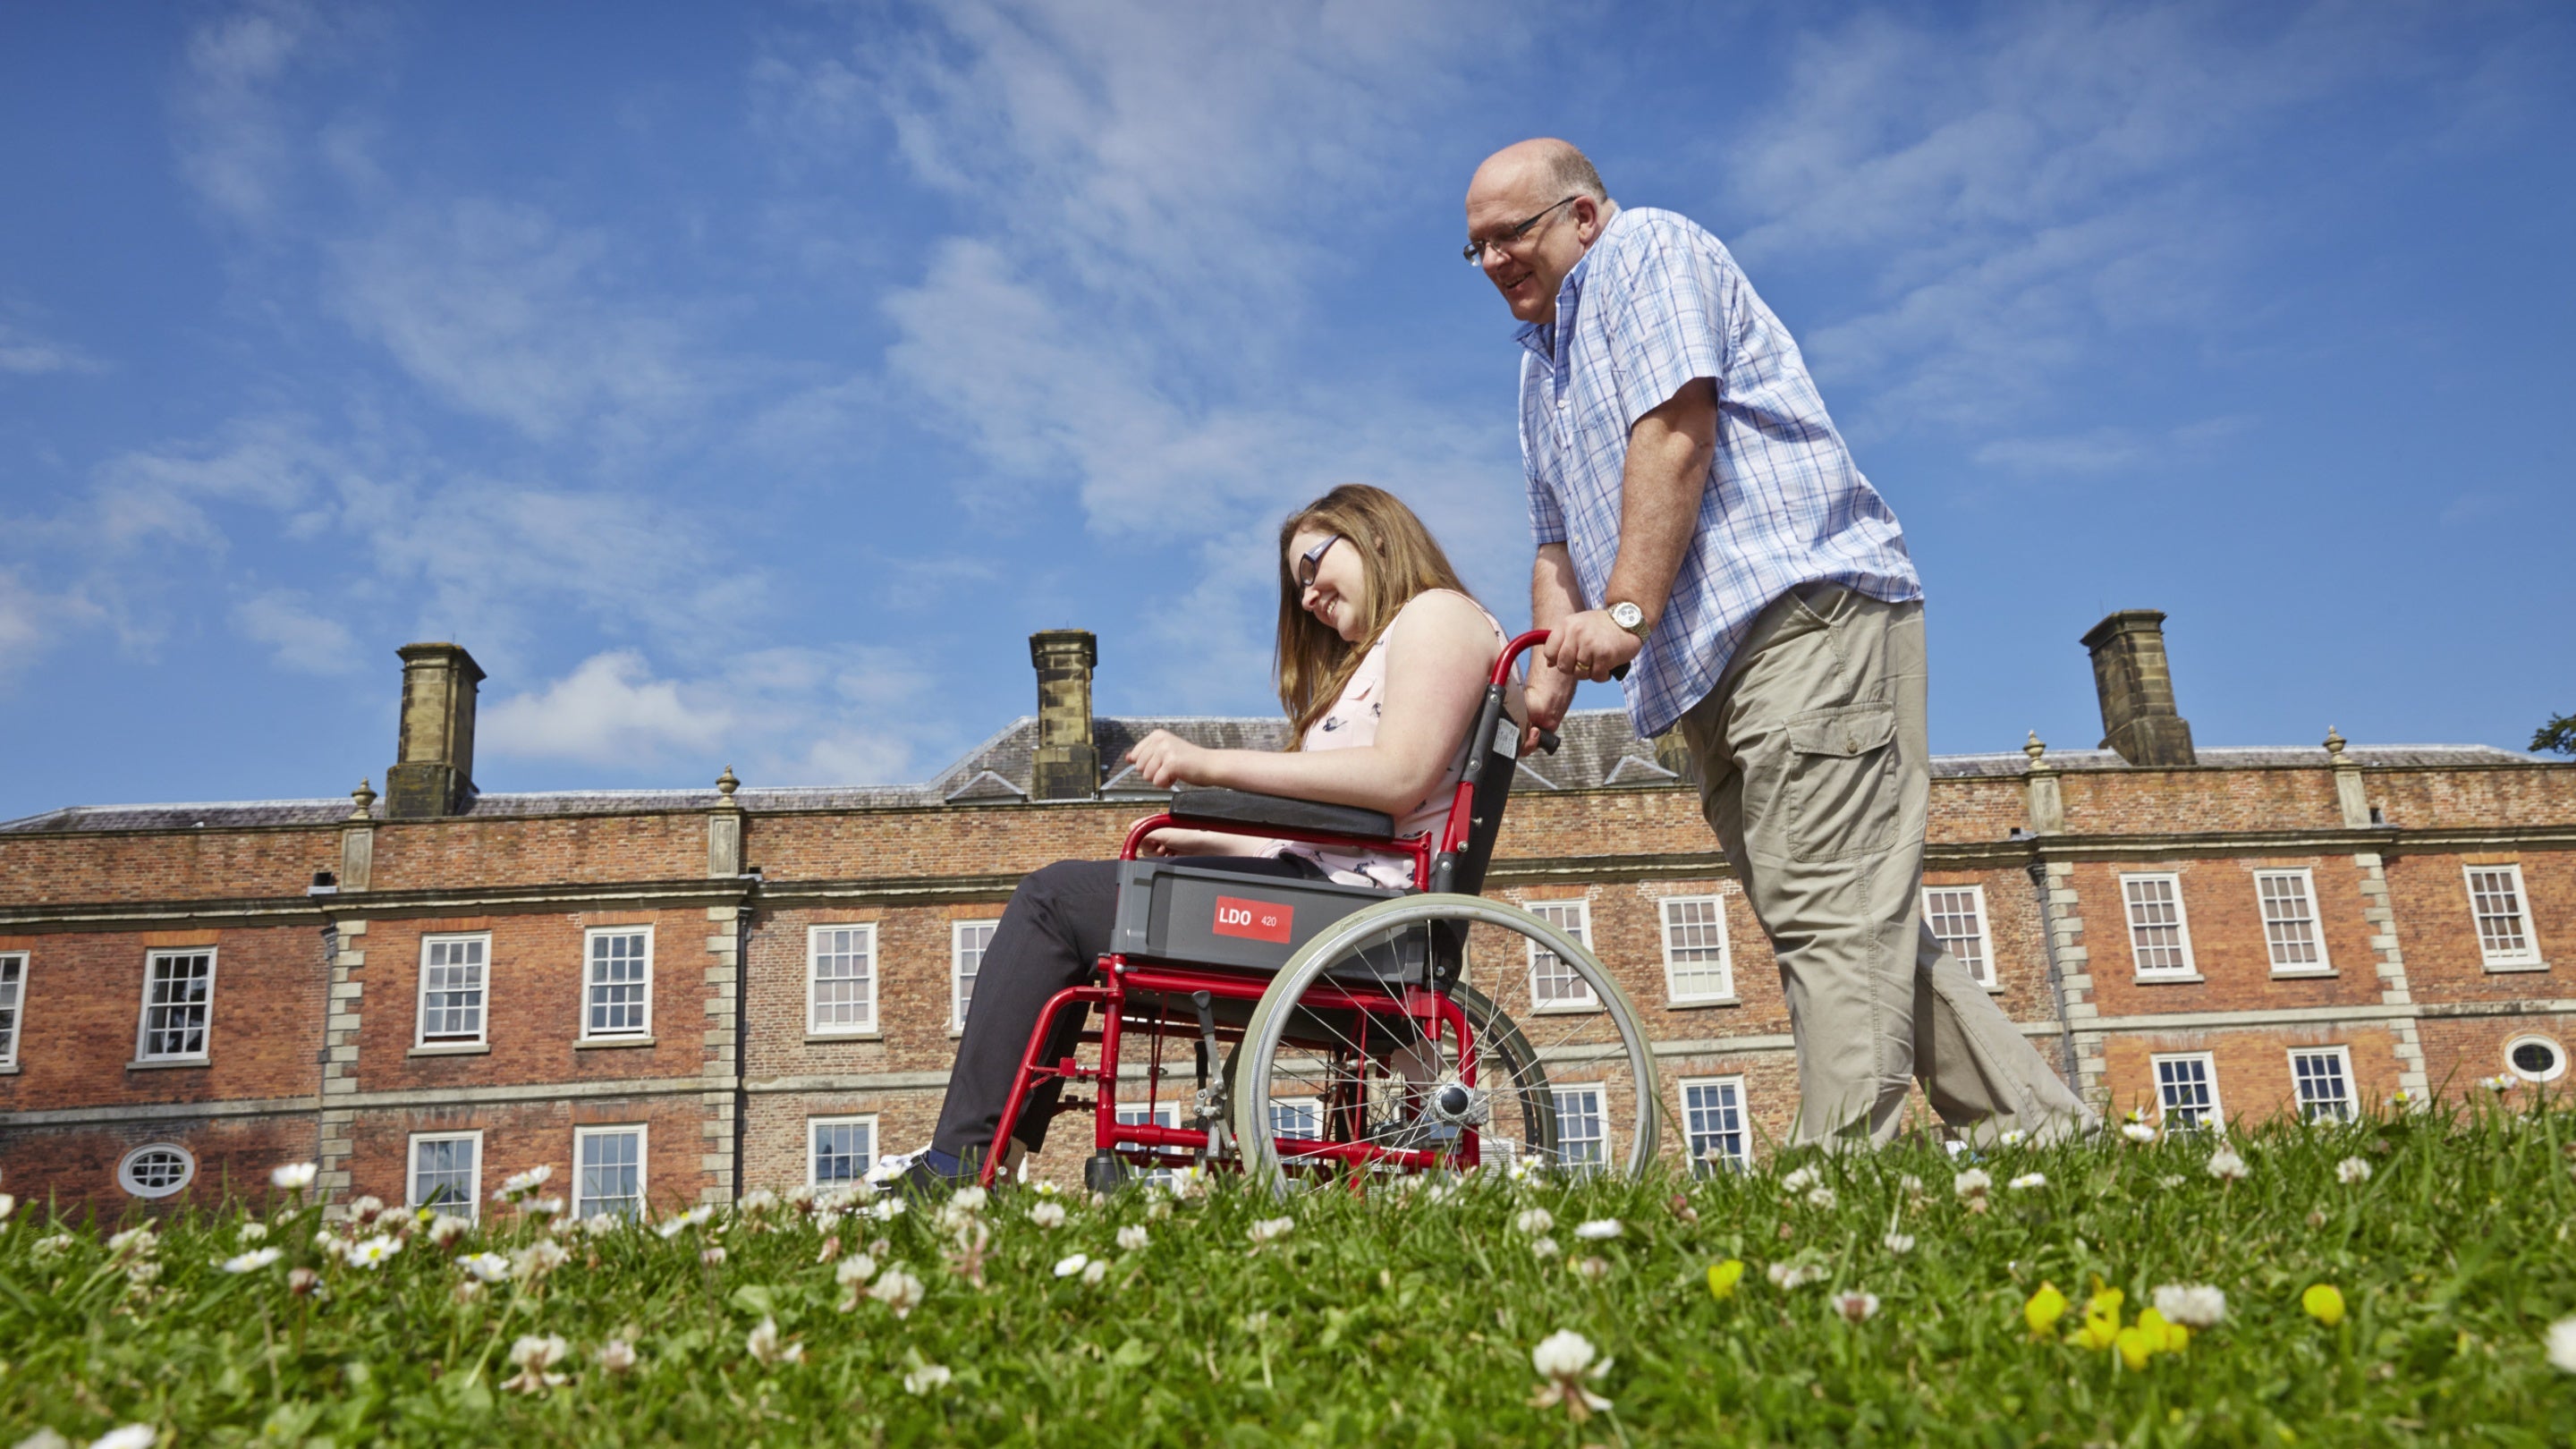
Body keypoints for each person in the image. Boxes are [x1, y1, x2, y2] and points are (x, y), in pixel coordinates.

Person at [1462, 138, 2096, 1151]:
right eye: (1477, 249)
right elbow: (1554, 539)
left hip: (1802, 619)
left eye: (1512, 235)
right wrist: (1547, 678)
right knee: (1849, 919)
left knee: (1829, 918)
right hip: (1703, 670)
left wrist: (1624, 614)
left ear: (1583, 214)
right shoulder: (1538, 374)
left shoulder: (1647, 253)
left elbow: (1676, 429)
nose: (1494, 262)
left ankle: (1837, 1176)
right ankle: (2049, 1133)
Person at [898, 484, 1508, 1189]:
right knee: (1077, 906)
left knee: (1054, 903)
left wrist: (1206, 763)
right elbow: (1344, 829)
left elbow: (1398, 779)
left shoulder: (1437, 616)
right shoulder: (1395, 647)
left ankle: (963, 1164)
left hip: (1354, 922)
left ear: (1373, 536)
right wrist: (1219, 842)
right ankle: (982, 1163)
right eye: (1297, 585)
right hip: (1332, 900)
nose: (1307, 595)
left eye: (1312, 567)